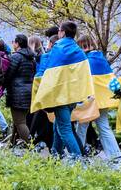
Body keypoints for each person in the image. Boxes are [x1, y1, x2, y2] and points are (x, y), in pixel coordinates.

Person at [30, 21, 93, 159]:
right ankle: (55, 155)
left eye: (59, 30)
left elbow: (47, 70)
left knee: (64, 128)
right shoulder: (78, 51)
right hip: (73, 96)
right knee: (58, 126)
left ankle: (78, 159)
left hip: (60, 96)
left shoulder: (58, 49)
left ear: (63, 32)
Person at [4, 33, 37, 146]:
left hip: (17, 93)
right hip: (29, 92)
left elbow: (9, 75)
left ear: (17, 43)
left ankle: (31, 146)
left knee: (20, 122)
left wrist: (3, 86)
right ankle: (12, 144)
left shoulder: (16, 57)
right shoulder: (31, 58)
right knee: (18, 120)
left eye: (14, 42)